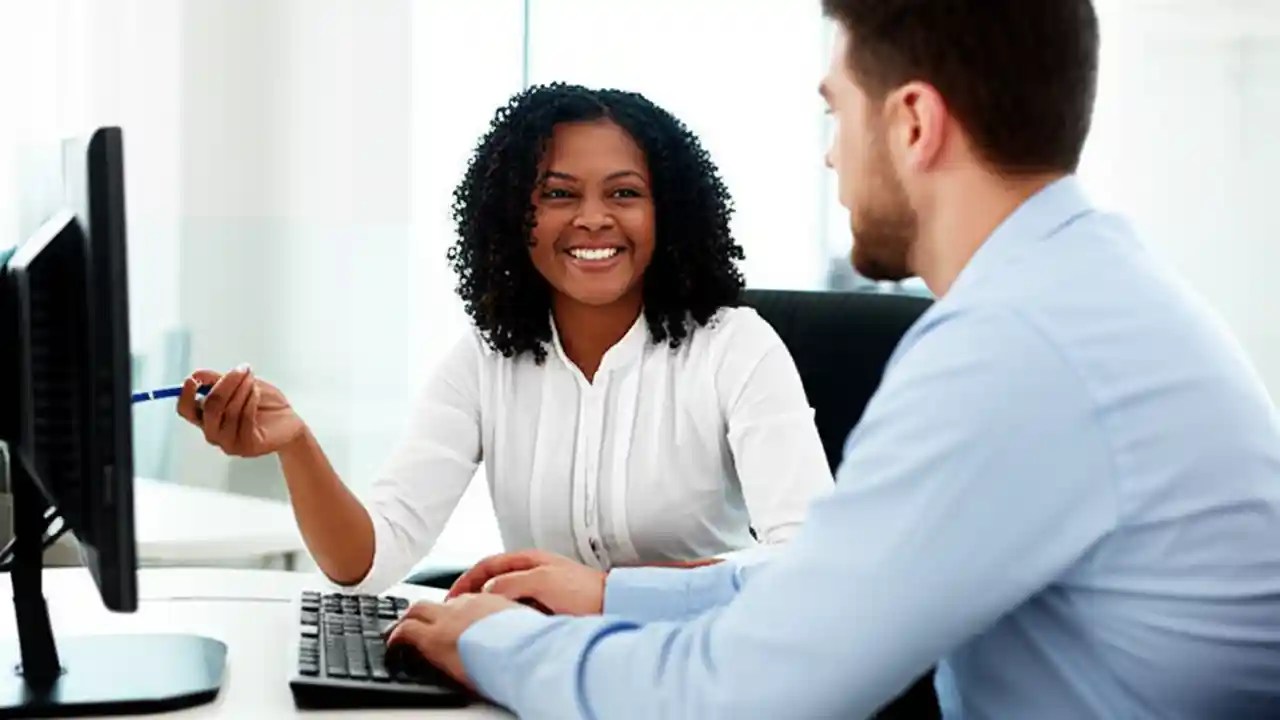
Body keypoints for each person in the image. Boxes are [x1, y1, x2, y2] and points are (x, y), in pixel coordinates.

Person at [381, 1, 1280, 717]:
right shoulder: (1082, 296)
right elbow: (826, 589)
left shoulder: (1015, 351)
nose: (828, 155)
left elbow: (747, 693)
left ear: (914, 122)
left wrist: (492, 642)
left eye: (835, 111)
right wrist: (612, 599)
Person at [178, 84, 834, 593]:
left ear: (669, 213)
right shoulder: (484, 361)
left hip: (709, 672)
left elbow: (809, 564)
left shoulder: (734, 347)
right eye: (558, 194)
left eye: (625, 192)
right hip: (549, 675)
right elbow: (369, 562)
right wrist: (297, 445)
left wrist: (607, 593)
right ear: (514, 217)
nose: (593, 219)